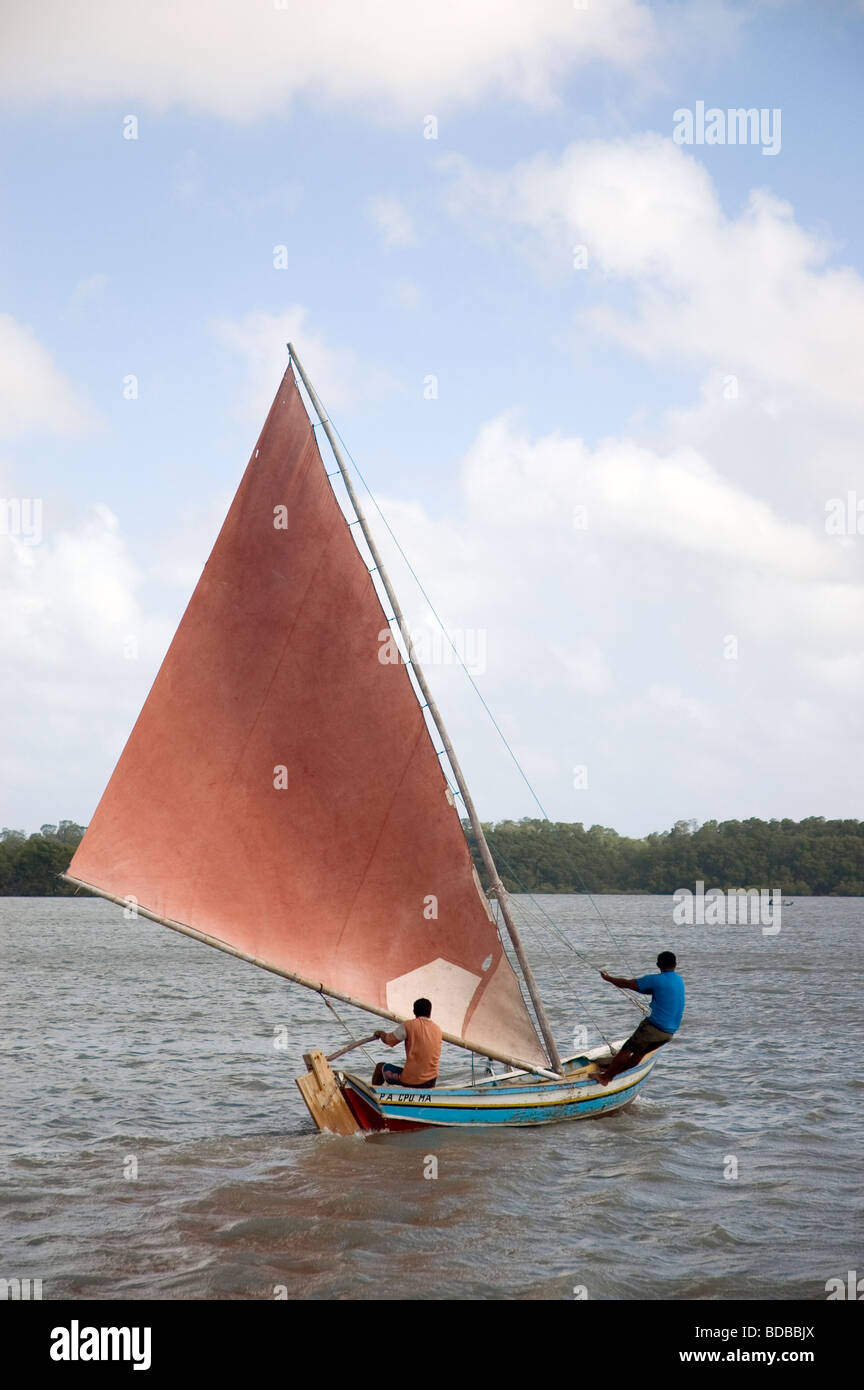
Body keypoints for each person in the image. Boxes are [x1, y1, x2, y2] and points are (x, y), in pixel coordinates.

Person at [593, 951, 685, 1086]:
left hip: (654, 1028)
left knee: (627, 1049)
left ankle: (606, 1078)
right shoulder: (678, 980)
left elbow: (626, 983)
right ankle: (614, 1075)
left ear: (658, 965)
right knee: (638, 1054)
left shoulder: (656, 979)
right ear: (675, 965)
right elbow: (652, 990)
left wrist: (608, 978)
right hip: (669, 1033)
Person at [371, 997, 442, 1089]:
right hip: (431, 1081)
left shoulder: (408, 1025)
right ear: (430, 1012)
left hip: (412, 1080)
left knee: (379, 1068)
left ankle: (374, 1095)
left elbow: (389, 1040)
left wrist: (381, 1034)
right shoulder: (438, 1029)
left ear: (414, 1011)